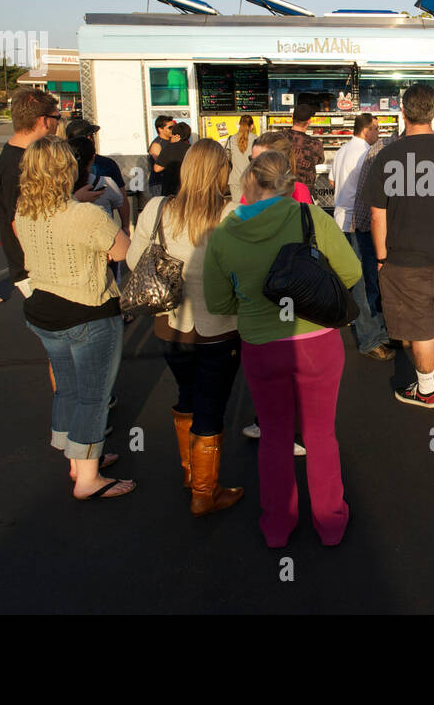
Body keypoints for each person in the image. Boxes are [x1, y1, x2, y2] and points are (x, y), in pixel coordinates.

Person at [203, 151, 360, 547]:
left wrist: (252, 302)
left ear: (249, 182)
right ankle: (330, 522)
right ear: (289, 182)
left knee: (274, 436)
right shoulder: (311, 218)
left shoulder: (224, 234)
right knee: (321, 436)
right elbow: (352, 272)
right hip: (318, 342)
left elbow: (218, 302)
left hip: (261, 346)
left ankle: (278, 524)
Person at [128, 140, 244, 516]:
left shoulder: (156, 208)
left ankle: (191, 475)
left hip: (170, 325)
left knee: (187, 396)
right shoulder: (230, 214)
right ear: (220, 171)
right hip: (220, 326)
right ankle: (203, 492)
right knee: (212, 405)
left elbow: (134, 260)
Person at [14, 136, 134, 500]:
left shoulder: (24, 210)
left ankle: (77, 459)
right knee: (93, 397)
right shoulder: (85, 215)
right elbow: (123, 253)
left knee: (67, 388)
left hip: (42, 309)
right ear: (67, 170)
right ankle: (88, 480)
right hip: (88, 311)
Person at [366, 84, 434, 409]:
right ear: (433, 113)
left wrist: (381, 258)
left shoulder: (387, 156)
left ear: (403, 111)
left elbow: (377, 216)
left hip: (403, 258)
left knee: (419, 324)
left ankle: (426, 391)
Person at [239, 129, 315, 448]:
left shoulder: (298, 191)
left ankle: (294, 432)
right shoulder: (250, 190)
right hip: (260, 285)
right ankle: (266, 419)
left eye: (259, 160)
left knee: (288, 359)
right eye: (252, 159)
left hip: (288, 283)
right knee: (268, 359)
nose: (254, 166)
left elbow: (307, 236)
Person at [329, 113, 394, 362]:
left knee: (358, 280)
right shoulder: (368, 153)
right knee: (366, 284)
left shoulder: (342, 150)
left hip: (341, 221)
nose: (378, 133)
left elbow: (333, 181)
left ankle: (376, 331)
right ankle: (370, 339)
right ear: (367, 131)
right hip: (359, 225)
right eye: (376, 129)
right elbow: (371, 192)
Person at [0, 89, 68, 290]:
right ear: (44, 121)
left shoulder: (17, 154)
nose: (57, 123)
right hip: (36, 271)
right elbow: (18, 222)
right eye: (57, 117)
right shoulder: (19, 165)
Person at [351, 129, 401, 318]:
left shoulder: (379, 149)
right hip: (389, 232)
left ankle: (389, 327)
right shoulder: (381, 150)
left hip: (389, 233)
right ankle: (388, 329)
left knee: (381, 284)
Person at [66, 117, 125, 193]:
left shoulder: (62, 165)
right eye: (92, 135)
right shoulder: (107, 164)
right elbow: (123, 202)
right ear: (89, 138)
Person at [287, 103, 325, 190]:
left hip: (280, 193)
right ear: (309, 122)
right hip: (304, 193)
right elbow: (320, 162)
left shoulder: (277, 139)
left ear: (292, 117)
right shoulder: (315, 144)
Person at [153, 122, 192, 197]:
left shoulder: (169, 148)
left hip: (170, 190)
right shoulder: (192, 149)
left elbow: (157, 168)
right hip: (188, 189)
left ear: (175, 134)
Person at [225, 114, 255, 201]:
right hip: (251, 181)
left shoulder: (231, 139)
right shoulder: (256, 139)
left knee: (237, 208)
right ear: (251, 126)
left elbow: (227, 158)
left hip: (235, 180)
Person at [147, 115, 175, 197]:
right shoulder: (157, 145)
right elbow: (160, 165)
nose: (172, 130)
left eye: (174, 127)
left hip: (170, 182)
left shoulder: (171, 141)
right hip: (159, 183)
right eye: (170, 128)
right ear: (160, 129)